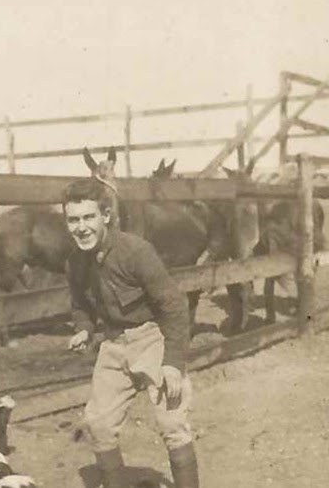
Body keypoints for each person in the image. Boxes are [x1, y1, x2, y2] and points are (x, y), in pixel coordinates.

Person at [61, 178, 199, 488]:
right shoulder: (74, 262)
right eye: (73, 219)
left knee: (172, 423)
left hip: (152, 339)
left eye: (88, 217)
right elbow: (79, 304)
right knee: (98, 424)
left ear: (105, 216)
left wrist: (173, 362)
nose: (81, 227)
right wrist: (84, 328)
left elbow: (174, 306)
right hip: (113, 344)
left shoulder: (136, 251)